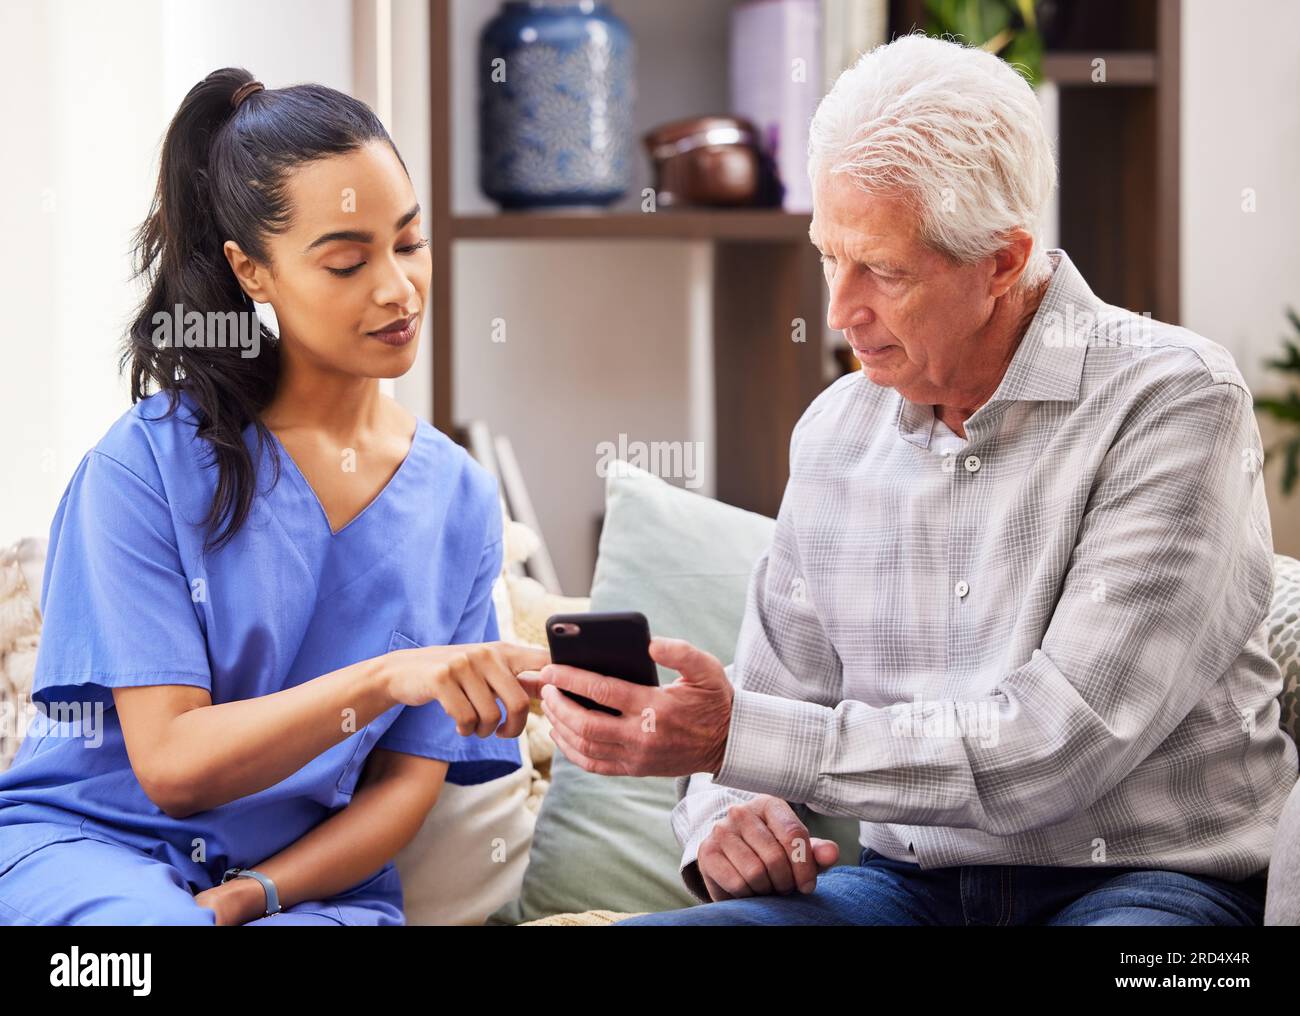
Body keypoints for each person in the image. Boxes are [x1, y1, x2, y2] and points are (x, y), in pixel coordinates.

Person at [536, 34, 1298, 926]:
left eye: (883, 271)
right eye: (829, 254)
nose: (837, 310)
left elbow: (1055, 747)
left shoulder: (1175, 404)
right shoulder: (833, 432)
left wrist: (740, 733)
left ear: (1003, 262)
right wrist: (724, 816)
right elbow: (773, 699)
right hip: (909, 893)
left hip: (1153, 889)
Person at [0, 68, 547, 926]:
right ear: (251, 270)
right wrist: (387, 677)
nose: (397, 288)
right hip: (96, 856)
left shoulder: (458, 501)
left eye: (408, 243)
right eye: (346, 260)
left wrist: (258, 895)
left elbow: (406, 784)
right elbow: (175, 766)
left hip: (307, 887)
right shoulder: (142, 468)